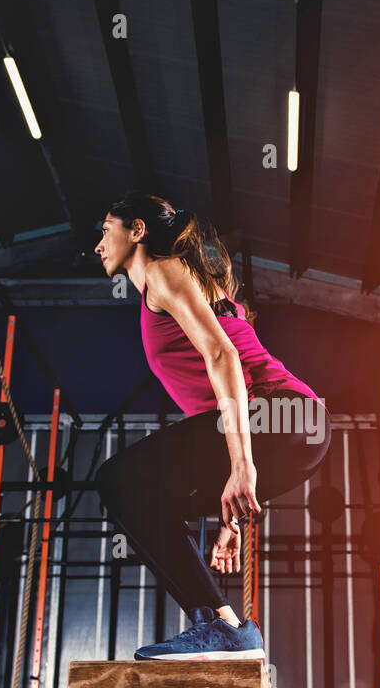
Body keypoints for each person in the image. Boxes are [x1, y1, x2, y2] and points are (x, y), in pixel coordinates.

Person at [91, 192, 331, 661]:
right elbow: (213, 402)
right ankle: (226, 628)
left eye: (105, 229)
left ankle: (221, 626)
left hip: (285, 416)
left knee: (117, 481)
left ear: (137, 230)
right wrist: (231, 503)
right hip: (297, 427)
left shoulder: (162, 272)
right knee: (146, 497)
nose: (98, 244)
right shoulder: (194, 285)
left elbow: (224, 357)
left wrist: (241, 464)